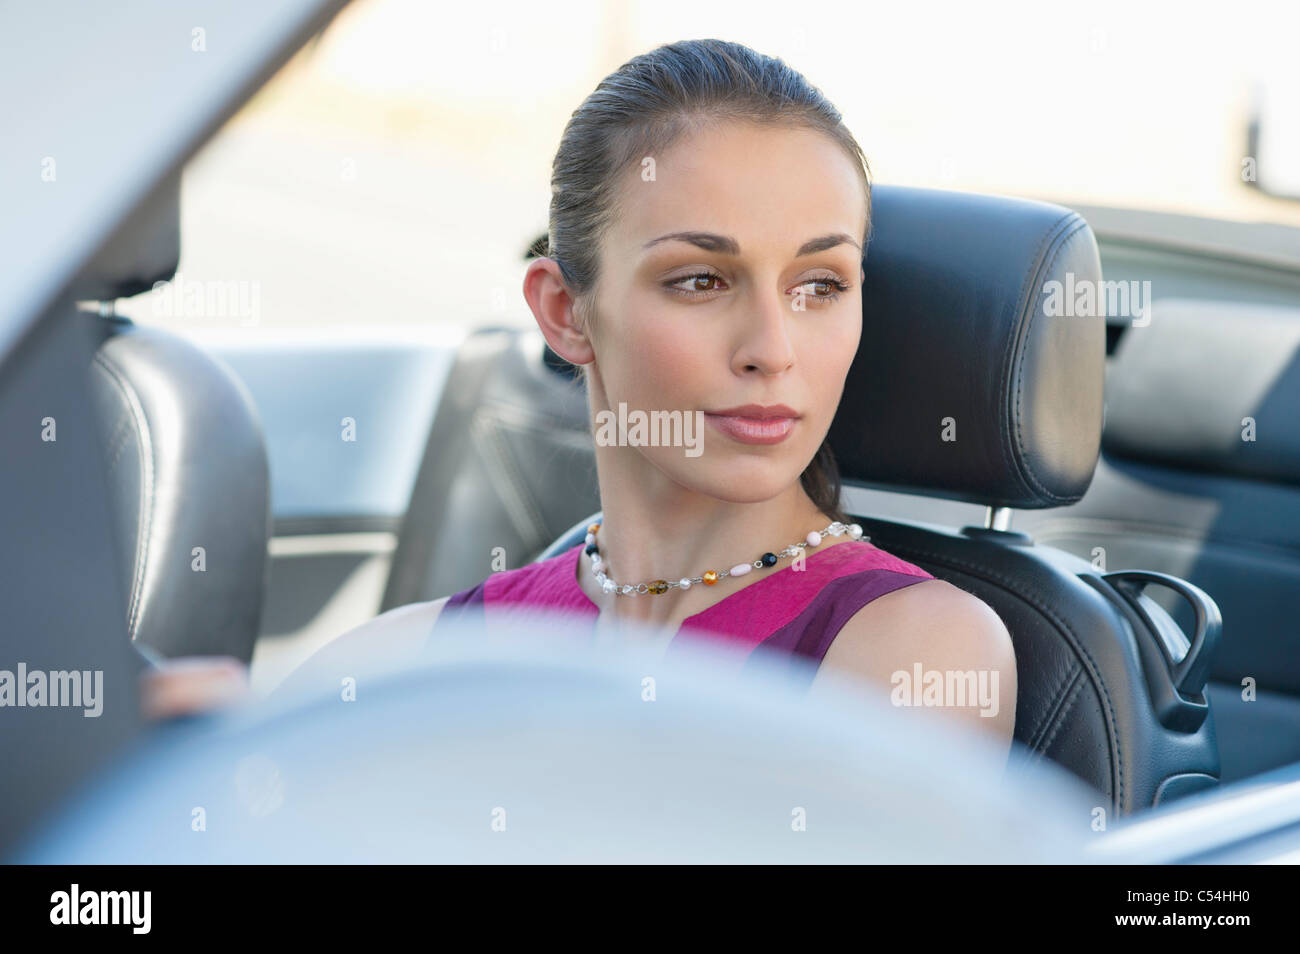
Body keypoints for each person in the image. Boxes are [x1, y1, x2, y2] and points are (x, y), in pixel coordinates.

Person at [145, 38, 1016, 753]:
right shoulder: (435, 648)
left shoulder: (917, 650)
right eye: (703, 280)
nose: (772, 350)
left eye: (819, 285)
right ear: (565, 313)